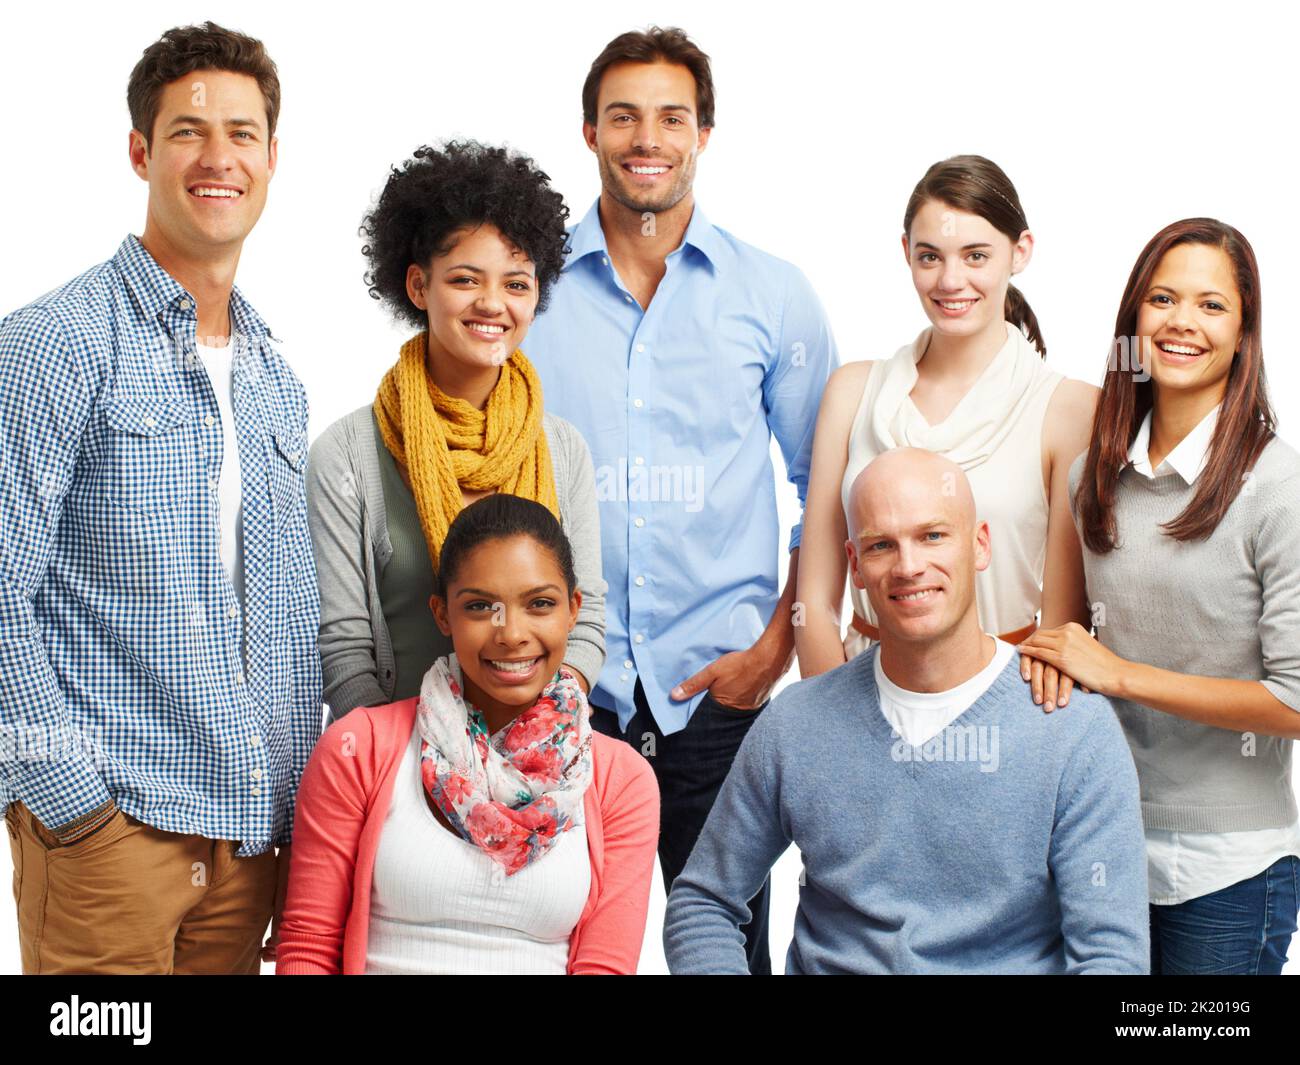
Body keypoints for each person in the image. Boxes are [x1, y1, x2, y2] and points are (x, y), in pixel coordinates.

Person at [0, 22, 319, 974]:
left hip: (246, 846)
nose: (218, 157)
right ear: (141, 151)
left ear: (272, 157)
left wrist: (293, 823)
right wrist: (69, 798)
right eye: (187, 131)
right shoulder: (53, 343)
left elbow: (284, 621)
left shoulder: (275, 376)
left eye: (243, 133)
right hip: (110, 842)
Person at [521, 26, 838, 975]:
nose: (646, 138)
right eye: (623, 116)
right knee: (560, 945)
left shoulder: (773, 296)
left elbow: (826, 486)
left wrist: (775, 646)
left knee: (724, 951)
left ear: (704, 131)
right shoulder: (527, 292)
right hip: (563, 688)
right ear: (589, 132)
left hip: (721, 695)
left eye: (670, 116)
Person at [664, 448, 1149, 974]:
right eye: (881, 545)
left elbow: (1110, 957)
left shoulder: (1073, 729)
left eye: (933, 535)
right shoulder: (795, 724)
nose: (909, 566)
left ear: (980, 544)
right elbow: (703, 901)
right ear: (855, 565)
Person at [1018, 218, 1300, 975]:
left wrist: (1121, 673)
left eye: (1212, 305)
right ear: (1133, 321)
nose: (1181, 321)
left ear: (1244, 333)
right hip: (1097, 843)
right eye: (1162, 298)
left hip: (1225, 867)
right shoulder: (1089, 478)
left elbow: (1297, 701)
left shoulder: (1279, 488)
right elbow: (1058, 647)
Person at [278, 495, 659, 974]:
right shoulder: (358, 749)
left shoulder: (621, 781)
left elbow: (605, 967)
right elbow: (309, 948)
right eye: (481, 607)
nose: (511, 633)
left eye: (540, 603)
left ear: (573, 610)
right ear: (442, 615)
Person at [308, 141, 607, 724]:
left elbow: (586, 618)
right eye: (467, 280)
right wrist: (422, 767)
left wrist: (532, 741)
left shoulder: (563, 448)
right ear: (419, 287)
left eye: (517, 284)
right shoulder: (346, 453)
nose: (493, 304)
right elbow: (343, 650)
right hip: (394, 765)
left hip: (538, 767)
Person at [795, 155, 1095, 711]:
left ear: (1020, 251)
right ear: (906, 253)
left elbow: (1062, 625)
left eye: (976, 256)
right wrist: (830, 723)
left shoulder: (1068, 409)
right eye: (930, 257)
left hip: (1004, 694)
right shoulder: (852, 392)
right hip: (858, 688)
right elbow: (815, 599)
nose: (951, 281)